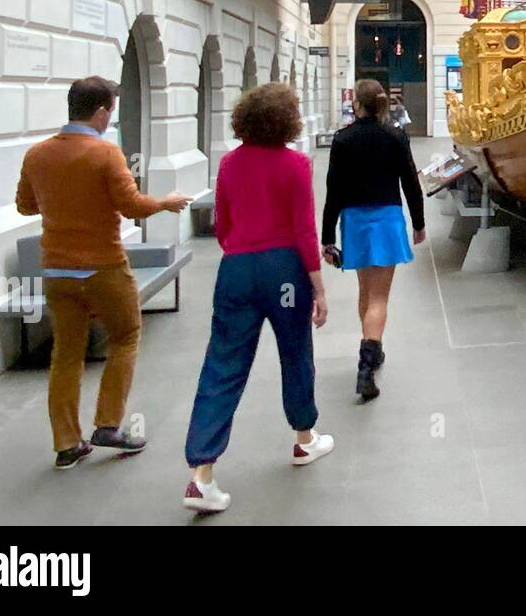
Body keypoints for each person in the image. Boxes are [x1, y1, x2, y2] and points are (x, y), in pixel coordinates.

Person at [14, 76, 191, 470]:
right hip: (104, 266)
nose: (109, 118)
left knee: (66, 354)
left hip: (57, 269)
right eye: (109, 111)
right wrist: (165, 202)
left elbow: (25, 206)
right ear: (99, 111)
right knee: (125, 336)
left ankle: (66, 443)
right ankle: (108, 424)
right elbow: (131, 206)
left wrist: (63, 205)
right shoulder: (106, 154)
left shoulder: (37, 154)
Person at [182, 83, 332, 514]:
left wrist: (242, 252)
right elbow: (304, 230)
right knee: (295, 351)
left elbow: (223, 224)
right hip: (284, 271)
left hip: (237, 269)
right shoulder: (296, 165)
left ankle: (202, 472)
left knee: (223, 363)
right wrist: (318, 288)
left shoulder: (229, 164)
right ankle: (304, 438)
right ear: (287, 120)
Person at [321, 78, 426, 402]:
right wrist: (419, 224)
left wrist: (327, 237)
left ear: (357, 103)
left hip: (355, 222)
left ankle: (370, 346)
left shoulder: (343, 140)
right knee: (380, 298)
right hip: (387, 220)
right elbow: (410, 181)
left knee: (365, 291)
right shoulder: (395, 136)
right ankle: (367, 362)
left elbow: (334, 191)